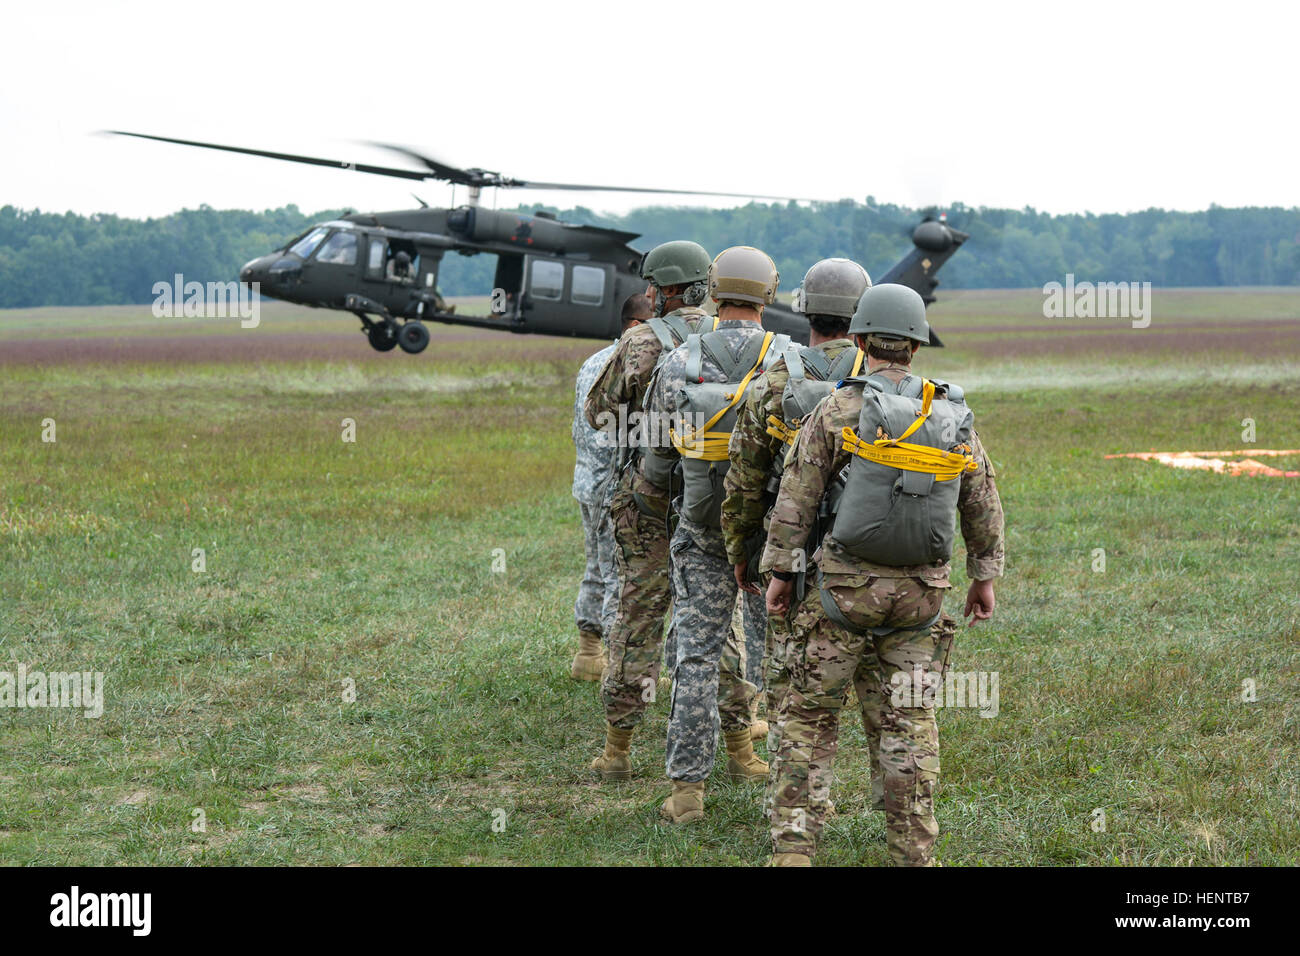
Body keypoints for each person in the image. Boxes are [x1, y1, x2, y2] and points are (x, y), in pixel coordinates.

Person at [761, 283, 1004, 866]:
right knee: (910, 727)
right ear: (917, 346)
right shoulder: (951, 414)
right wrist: (984, 575)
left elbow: (798, 494)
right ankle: (913, 855)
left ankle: (794, 853)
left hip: (842, 593)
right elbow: (983, 498)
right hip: (922, 597)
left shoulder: (841, 408)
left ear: (862, 339)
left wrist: (780, 572)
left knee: (807, 720)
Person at [584, 241, 756, 781]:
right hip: (712, 502)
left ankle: (618, 751)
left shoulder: (640, 341)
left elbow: (599, 414)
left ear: (662, 290)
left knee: (638, 618)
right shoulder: (732, 341)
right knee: (717, 628)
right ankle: (741, 751)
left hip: (647, 503)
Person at [721, 258, 882, 814]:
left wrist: (744, 552)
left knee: (797, 688)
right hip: (872, 559)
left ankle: (804, 806)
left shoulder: (774, 382)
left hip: (793, 555)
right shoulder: (889, 384)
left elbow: (743, 479)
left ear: (804, 308)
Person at [643, 246, 789, 823]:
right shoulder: (796, 364)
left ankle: (685, 794)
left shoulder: (677, 362)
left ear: (711, 289)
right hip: (777, 540)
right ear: (769, 293)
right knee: (780, 658)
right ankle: (787, 784)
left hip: (702, 530)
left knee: (695, 657)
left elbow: (656, 461)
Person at [569, 294, 652, 680]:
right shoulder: (627, 364)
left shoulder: (591, 361)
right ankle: (619, 670)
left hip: (587, 480)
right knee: (619, 576)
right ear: (635, 327)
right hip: (612, 485)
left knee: (596, 567)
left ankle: (588, 653)